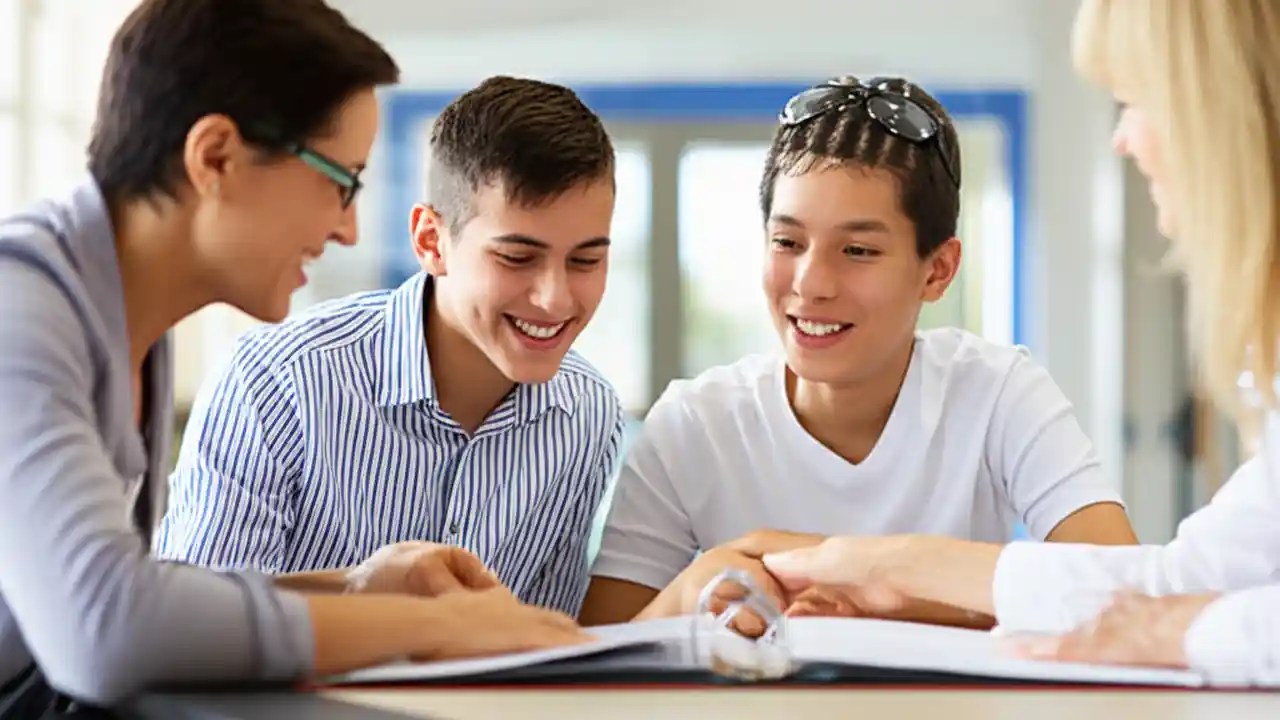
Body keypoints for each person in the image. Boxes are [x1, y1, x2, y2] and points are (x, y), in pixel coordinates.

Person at [0, 1, 587, 712]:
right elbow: (103, 628)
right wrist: (435, 625)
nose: (347, 228)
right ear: (215, 157)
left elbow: (135, 596)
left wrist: (355, 587)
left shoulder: (126, 322)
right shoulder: (21, 312)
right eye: (340, 180)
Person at [759, 0, 1280, 687]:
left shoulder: (998, 384)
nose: (1123, 139)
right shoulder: (699, 414)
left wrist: (1190, 629)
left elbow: (1174, 597)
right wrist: (880, 569)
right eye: (787, 241)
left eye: (1136, 99)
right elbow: (1188, 579)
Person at [579, 76, 1137, 629]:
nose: (812, 282)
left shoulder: (996, 394)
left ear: (937, 270)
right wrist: (693, 594)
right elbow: (600, 662)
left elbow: (1121, 591)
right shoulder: (694, 425)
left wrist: (874, 587)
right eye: (787, 242)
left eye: (858, 250)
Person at [152, 75, 624, 617]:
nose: (554, 297)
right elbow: (195, 628)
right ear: (431, 241)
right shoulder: (275, 382)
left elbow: (535, 639)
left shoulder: (588, 414)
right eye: (517, 258)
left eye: (586, 260)